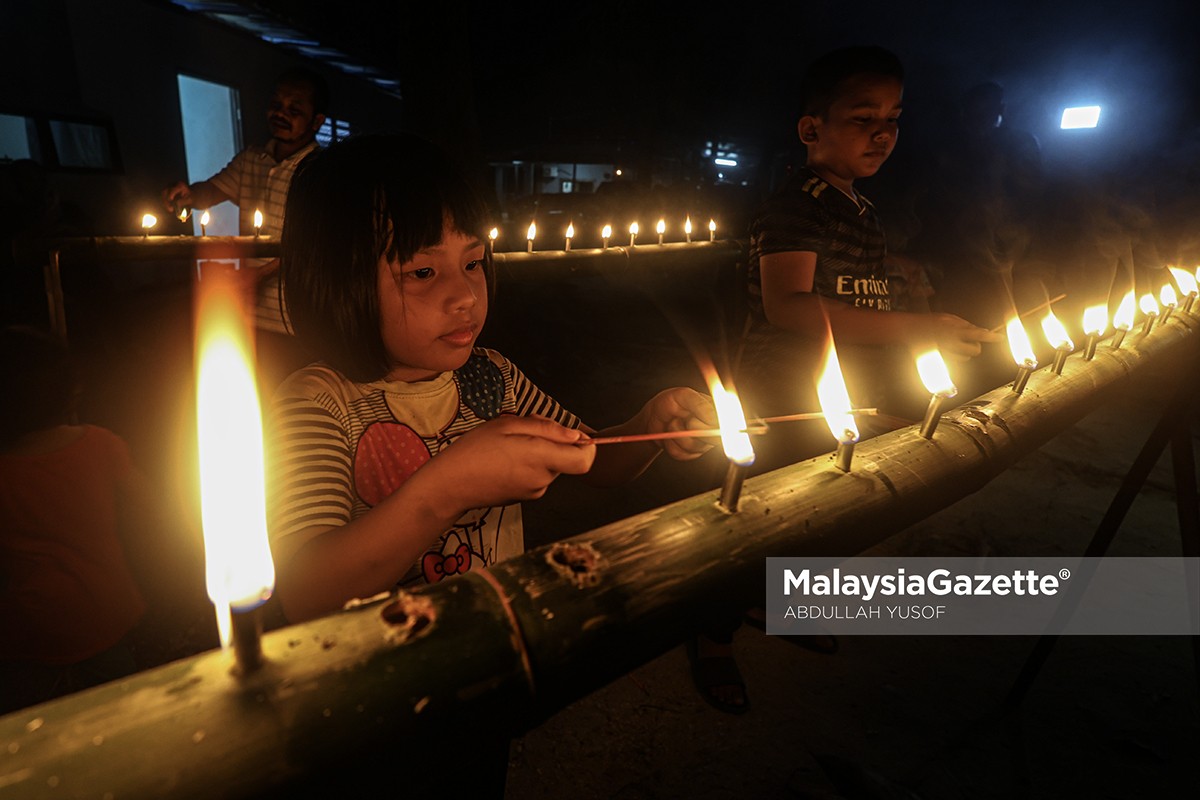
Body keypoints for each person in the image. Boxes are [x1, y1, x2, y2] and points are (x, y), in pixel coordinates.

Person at [710, 46, 1000, 716]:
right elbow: (788, 305)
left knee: (818, 514)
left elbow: (856, 290)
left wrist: (900, 278)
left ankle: (782, 604)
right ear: (811, 129)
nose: (883, 132)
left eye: (894, 118)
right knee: (754, 520)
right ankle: (713, 633)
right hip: (781, 390)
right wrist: (916, 326)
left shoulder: (857, 208)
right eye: (863, 117)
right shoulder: (796, 204)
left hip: (836, 392)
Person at [0, 327, 161, 714]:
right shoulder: (102, 445)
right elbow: (153, 507)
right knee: (127, 712)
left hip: (29, 633)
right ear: (70, 389)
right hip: (107, 614)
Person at [162, 68, 329, 333]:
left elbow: (318, 244)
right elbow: (210, 192)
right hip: (252, 313)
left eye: (294, 109)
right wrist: (188, 194)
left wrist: (259, 275)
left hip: (301, 318)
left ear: (317, 120)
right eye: (276, 105)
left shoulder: (323, 171)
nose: (280, 114)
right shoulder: (252, 160)